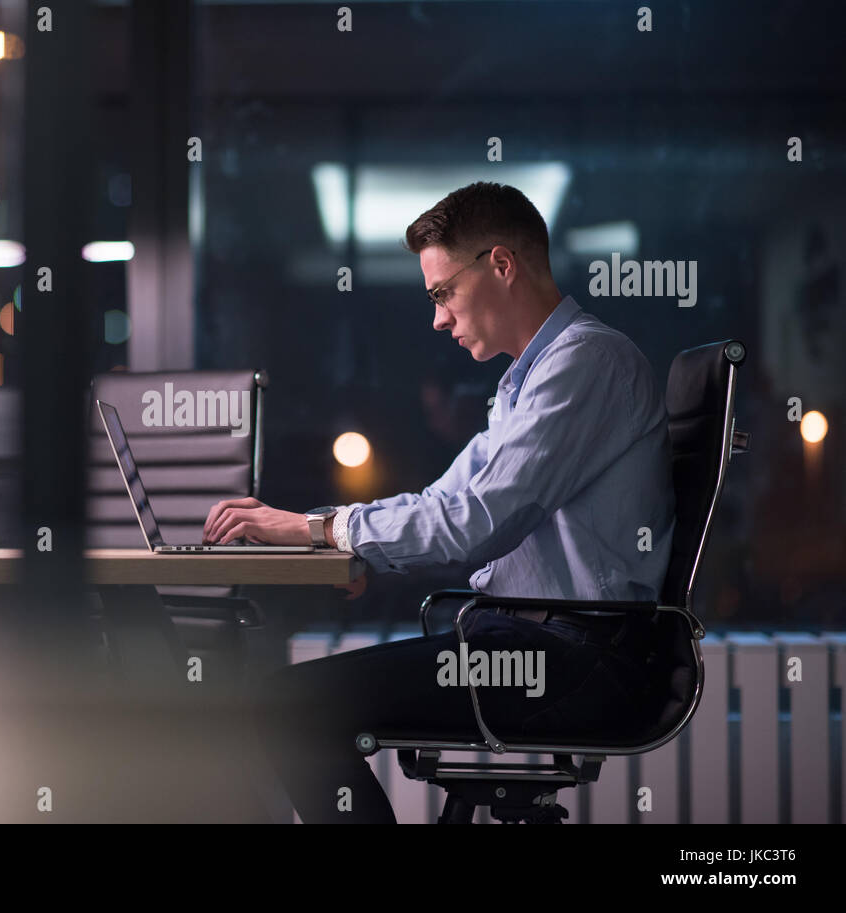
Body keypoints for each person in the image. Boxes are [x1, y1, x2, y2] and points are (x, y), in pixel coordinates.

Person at [203, 182, 675, 823]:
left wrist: (322, 531)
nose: (438, 319)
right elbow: (445, 502)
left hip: (574, 662)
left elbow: (475, 523)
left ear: (501, 265)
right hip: (534, 648)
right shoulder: (527, 382)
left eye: (442, 293)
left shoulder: (585, 363)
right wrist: (328, 533)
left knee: (289, 707)